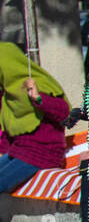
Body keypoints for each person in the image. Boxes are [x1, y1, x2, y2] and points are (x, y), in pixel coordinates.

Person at [0, 43, 72, 193]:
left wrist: (38, 99)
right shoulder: (9, 94)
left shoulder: (37, 84)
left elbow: (64, 114)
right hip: (18, 152)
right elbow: (9, 130)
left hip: (42, 154)